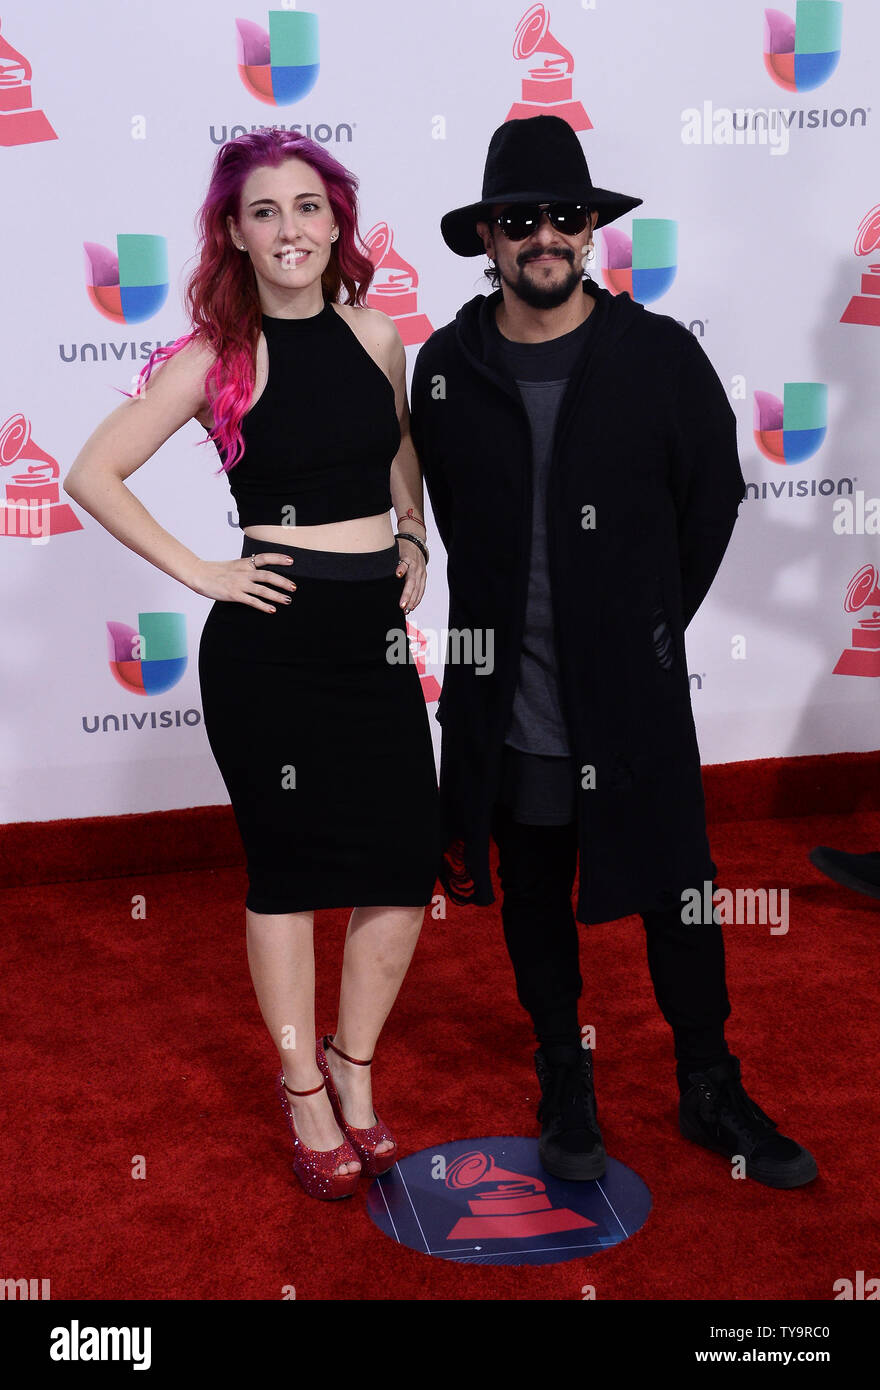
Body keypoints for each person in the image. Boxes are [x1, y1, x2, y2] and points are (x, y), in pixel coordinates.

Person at [410, 115, 818, 1190]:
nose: (543, 235)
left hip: (629, 695)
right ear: (486, 240)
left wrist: (644, 623)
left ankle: (707, 1085)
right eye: (518, 220)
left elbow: (713, 500)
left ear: (589, 231)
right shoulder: (446, 368)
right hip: (509, 698)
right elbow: (451, 516)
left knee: (680, 891)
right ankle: (563, 1074)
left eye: (563, 216)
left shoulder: (659, 357)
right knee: (536, 888)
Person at [65, 128, 440, 1201]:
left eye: (309, 207)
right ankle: (302, 1089)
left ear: (337, 221)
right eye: (266, 211)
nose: (292, 228)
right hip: (270, 648)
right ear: (234, 230)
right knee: (285, 877)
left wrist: (410, 534)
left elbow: (398, 449)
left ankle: (352, 1066)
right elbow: (95, 472)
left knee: (403, 865)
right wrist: (206, 572)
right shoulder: (216, 358)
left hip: (369, 636)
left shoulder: (377, 336)